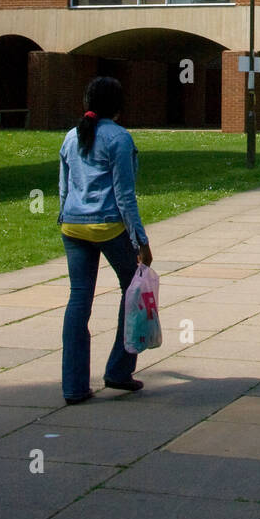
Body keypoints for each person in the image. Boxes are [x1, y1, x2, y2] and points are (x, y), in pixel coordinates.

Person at [58, 77, 153, 405]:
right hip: (108, 226)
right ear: (117, 106)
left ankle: (73, 387)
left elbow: (64, 187)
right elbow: (125, 195)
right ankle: (118, 369)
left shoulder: (71, 137)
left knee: (78, 300)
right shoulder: (119, 138)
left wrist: (64, 217)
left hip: (72, 227)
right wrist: (141, 240)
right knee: (133, 292)